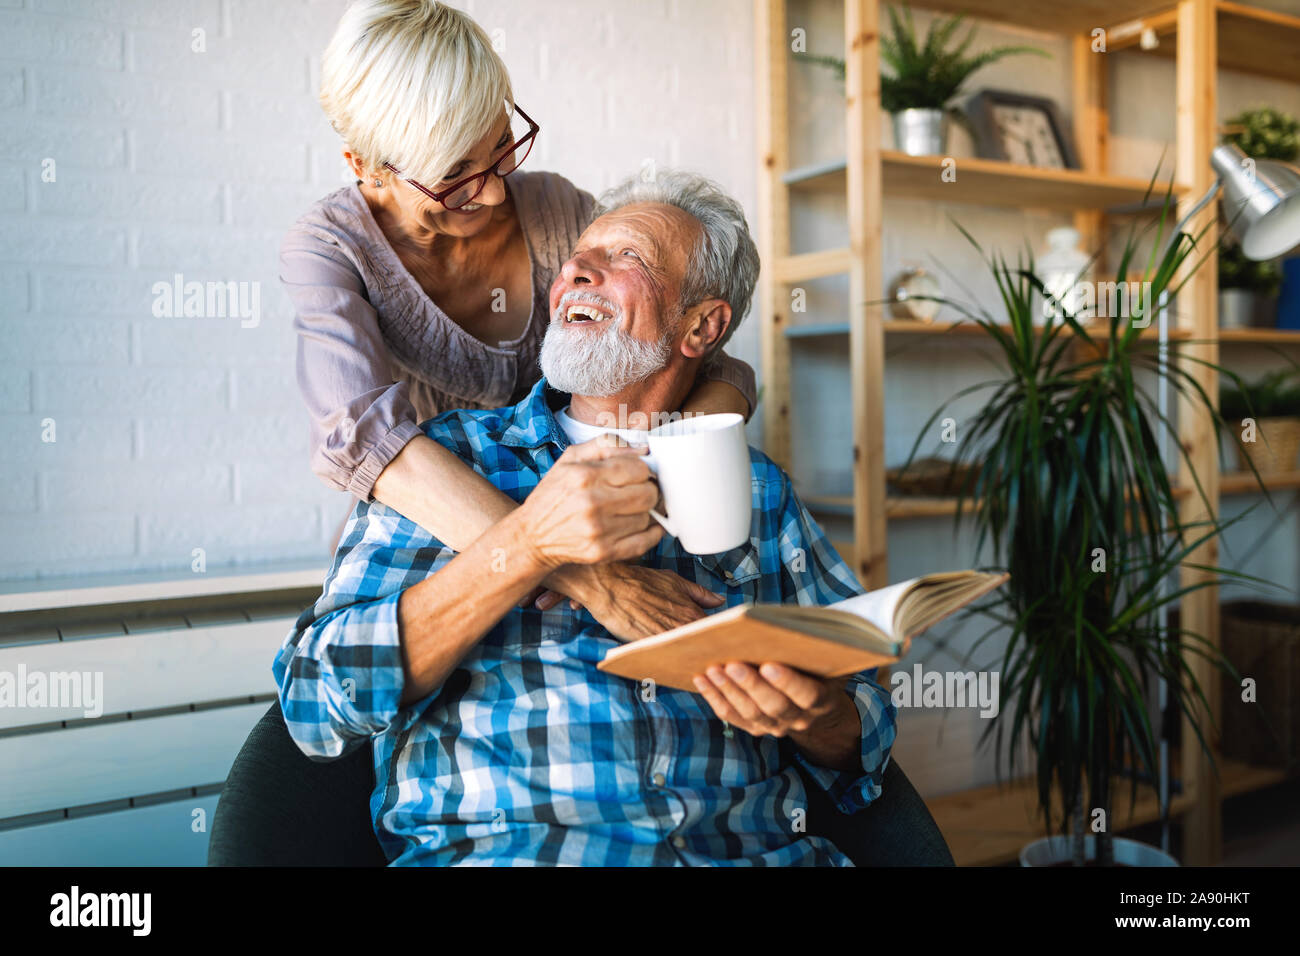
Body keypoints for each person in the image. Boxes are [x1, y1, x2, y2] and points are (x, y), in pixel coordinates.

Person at [273, 170, 897, 866]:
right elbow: (317, 701)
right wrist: (526, 543)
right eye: (577, 257)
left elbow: (865, 725)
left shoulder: (757, 489)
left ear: (703, 325)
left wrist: (818, 718)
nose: (577, 269)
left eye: (627, 257)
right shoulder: (454, 461)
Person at [282, 0, 756, 639]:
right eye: (455, 177)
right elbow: (364, 442)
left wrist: (666, 469)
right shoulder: (332, 249)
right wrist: (589, 578)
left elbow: (700, 347)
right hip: (434, 526)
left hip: (596, 511)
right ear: (365, 167)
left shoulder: (555, 209)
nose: (498, 191)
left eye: (503, 145)